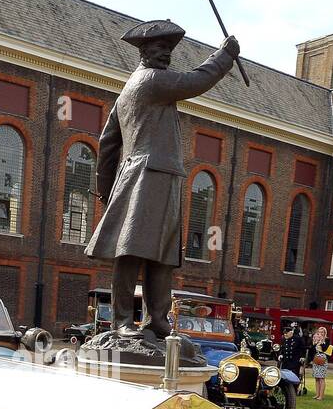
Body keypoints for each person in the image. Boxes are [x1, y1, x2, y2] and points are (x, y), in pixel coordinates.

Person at [85, 19, 238, 340]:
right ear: (144, 52)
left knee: (163, 252)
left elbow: (107, 143)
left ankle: (158, 320)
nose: (165, 55)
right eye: (159, 49)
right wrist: (225, 56)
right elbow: (196, 81)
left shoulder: (129, 88)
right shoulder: (150, 81)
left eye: (168, 50)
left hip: (158, 176)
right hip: (146, 175)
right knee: (131, 248)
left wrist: (105, 189)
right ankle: (123, 321)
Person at [310, 327, 333, 400]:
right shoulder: (316, 339)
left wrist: (320, 341)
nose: (320, 333)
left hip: (322, 358)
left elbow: (324, 348)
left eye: (322, 332)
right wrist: (315, 341)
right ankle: (317, 394)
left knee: (321, 378)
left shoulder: (326, 339)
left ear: (325, 333)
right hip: (316, 358)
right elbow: (312, 349)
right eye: (319, 332)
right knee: (316, 378)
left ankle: (321, 395)